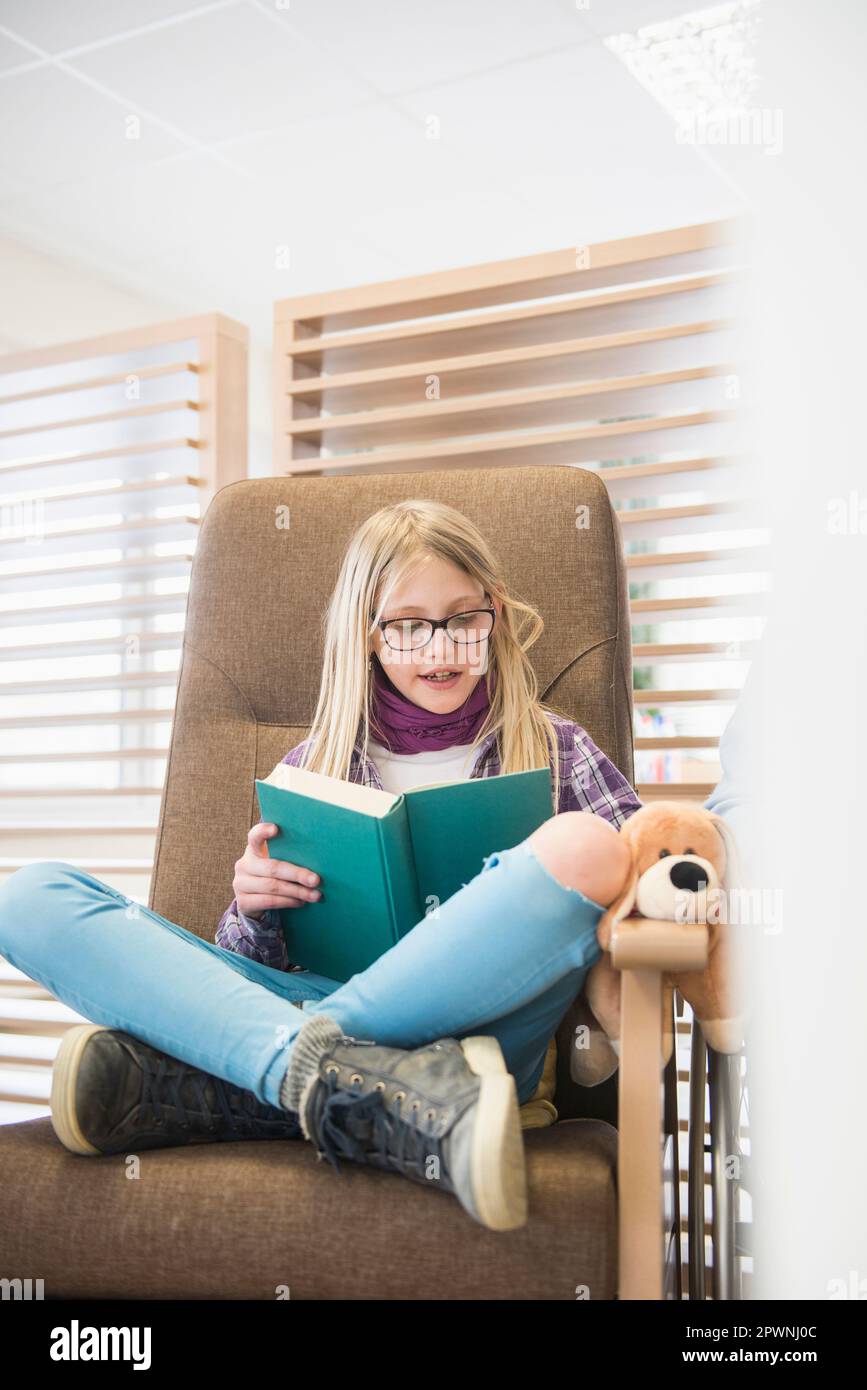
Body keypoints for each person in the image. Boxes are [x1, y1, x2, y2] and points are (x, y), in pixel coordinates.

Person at [0, 498, 641, 1232]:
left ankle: (242, 1075)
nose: (440, 651)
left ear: (494, 613)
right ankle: (358, 1088)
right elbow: (243, 966)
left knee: (586, 849)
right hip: (316, 1005)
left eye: (463, 620)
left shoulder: (555, 747)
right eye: (407, 627)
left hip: (481, 1038)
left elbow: (641, 881)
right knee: (30, 896)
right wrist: (253, 908)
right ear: (367, 636)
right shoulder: (313, 766)